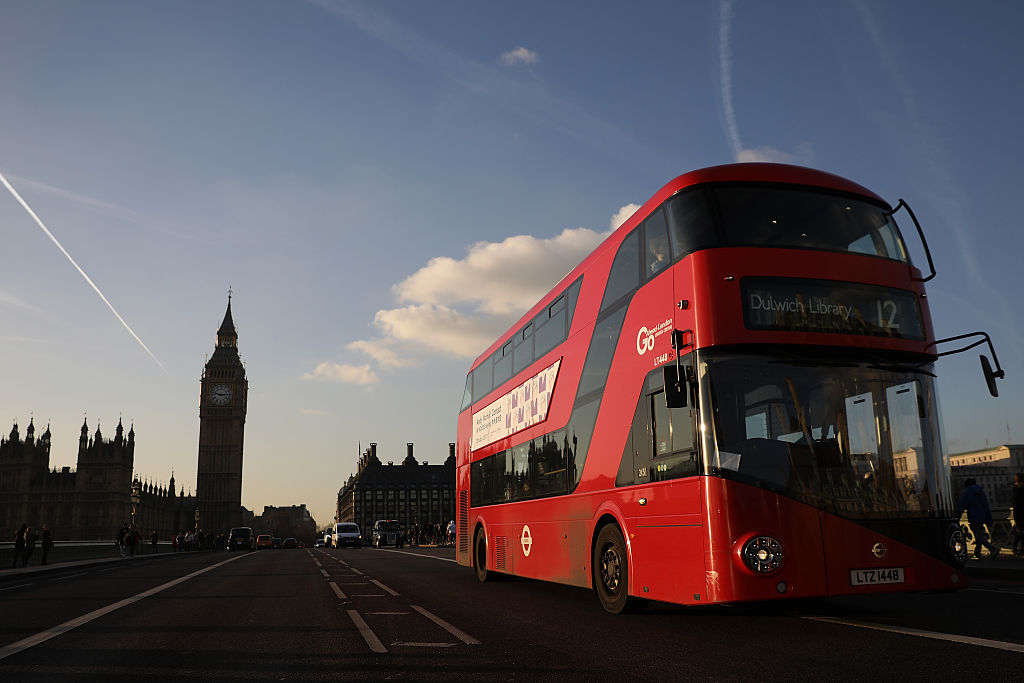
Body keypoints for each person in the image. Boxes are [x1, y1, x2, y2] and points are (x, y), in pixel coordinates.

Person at [957, 478, 999, 559]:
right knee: (978, 535)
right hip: (982, 516)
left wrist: (957, 517)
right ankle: (977, 554)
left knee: (978, 536)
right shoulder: (981, 492)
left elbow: (962, 506)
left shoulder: (967, 493)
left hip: (973, 517)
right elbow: (986, 506)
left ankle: (992, 549)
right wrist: (989, 519)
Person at [1012, 472, 1024, 556]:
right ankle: (1019, 549)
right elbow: (1017, 505)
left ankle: (1016, 548)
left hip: (1019, 515)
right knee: (1021, 533)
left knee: (1020, 533)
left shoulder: (1015, 490)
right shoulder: (1018, 491)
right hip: (1020, 515)